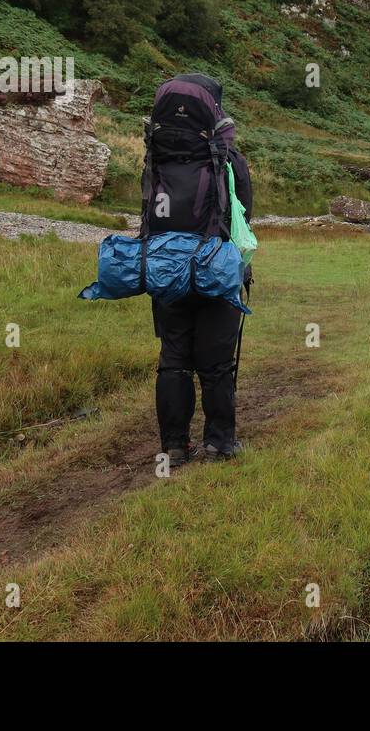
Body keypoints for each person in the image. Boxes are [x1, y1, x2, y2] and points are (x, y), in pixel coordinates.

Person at [143, 73, 253, 466]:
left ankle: (174, 446)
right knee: (217, 362)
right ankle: (219, 443)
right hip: (215, 270)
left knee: (174, 359)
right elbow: (243, 220)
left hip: (167, 270)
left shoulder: (157, 157)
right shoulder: (227, 160)